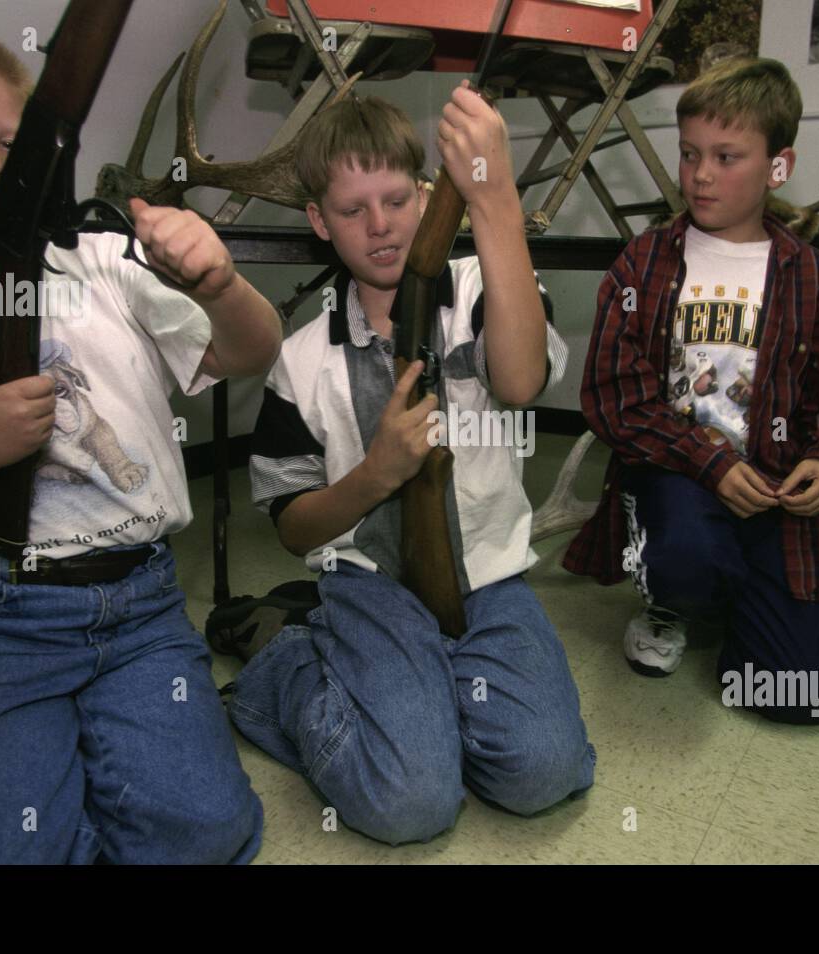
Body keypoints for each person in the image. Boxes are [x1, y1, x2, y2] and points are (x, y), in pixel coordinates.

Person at [0, 27, 279, 861]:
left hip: (139, 604)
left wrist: (220, 284)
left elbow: (246, 352)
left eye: (12, 141)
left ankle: (12, 761)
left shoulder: (104, 265)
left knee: (204, 836)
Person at [222, 89, 595, 845]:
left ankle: (422, 694)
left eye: (397, 199)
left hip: (488, 579)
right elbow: (295, 529)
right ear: (319, 222)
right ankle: (285, 667)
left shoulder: (488, 287)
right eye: (352, 210)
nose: (380, 224)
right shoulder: (299, 361)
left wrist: (493, 206)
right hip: (371, 588)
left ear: (428, 199)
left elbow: (520, 381)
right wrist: (374, 475)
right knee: (411, 806)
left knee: (545, 773)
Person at [564, 57, 819, 725]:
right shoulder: (645, 261)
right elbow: (612, 397)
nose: (700, 174)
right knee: (687, 553)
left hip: (777, 492)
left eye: (727, 157)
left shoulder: (816, 278)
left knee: (794, 702)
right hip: (680, 479)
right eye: (690, 153)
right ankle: (675, 596)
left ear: (778, 166)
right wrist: (711, 462)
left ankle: (755, 598)